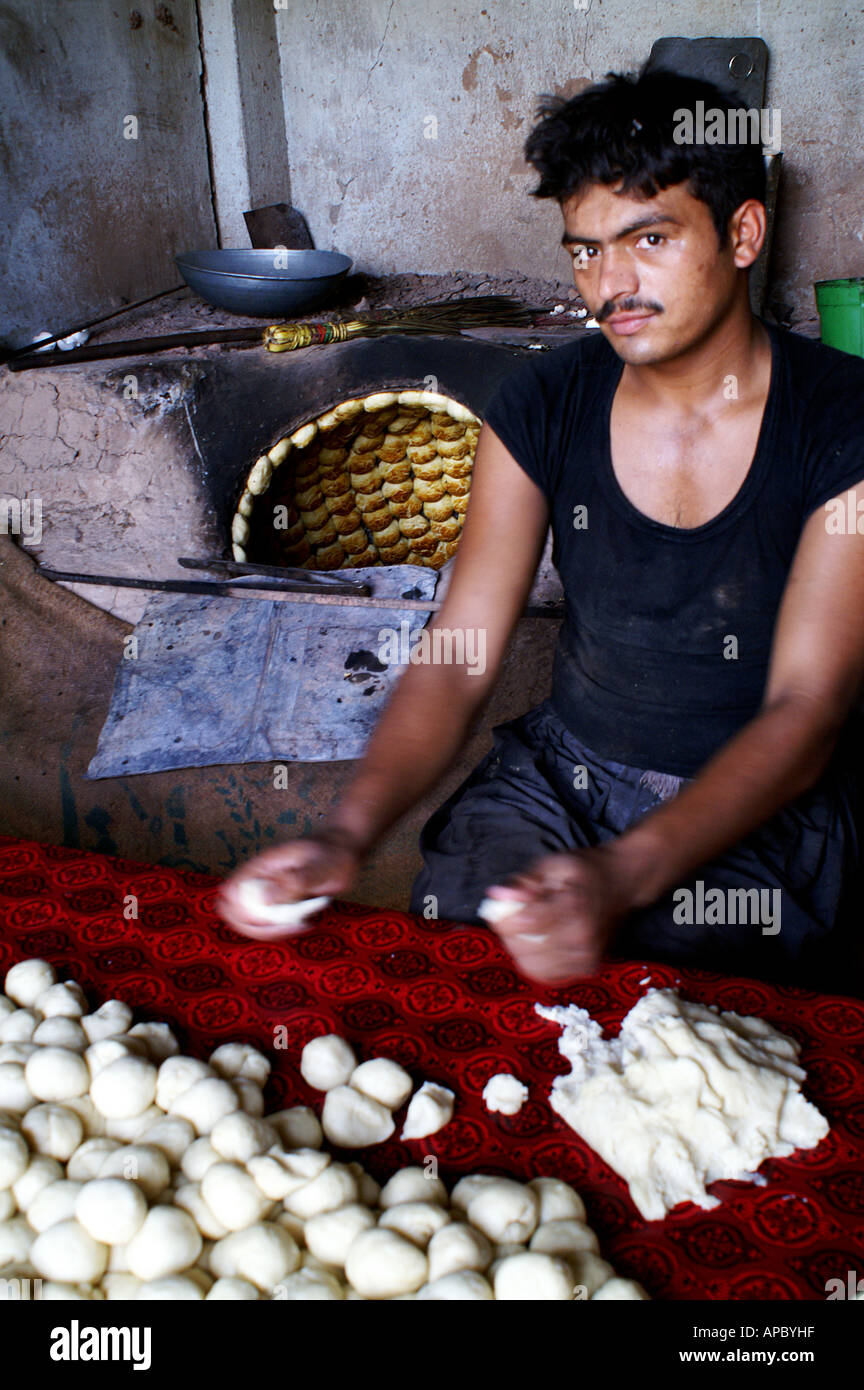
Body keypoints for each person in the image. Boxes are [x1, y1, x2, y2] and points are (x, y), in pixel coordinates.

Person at [218, 66, 864, 992]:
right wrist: (343, 834)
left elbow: (806, 712)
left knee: (676, 1001)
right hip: (567, 779)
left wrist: (620, 876)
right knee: (470, 963)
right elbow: (463, 651)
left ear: (742, 232)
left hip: (762, 810)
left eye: (649, 238)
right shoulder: (543, 403)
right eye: (585, 251)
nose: (612, 285)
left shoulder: (842, 423)